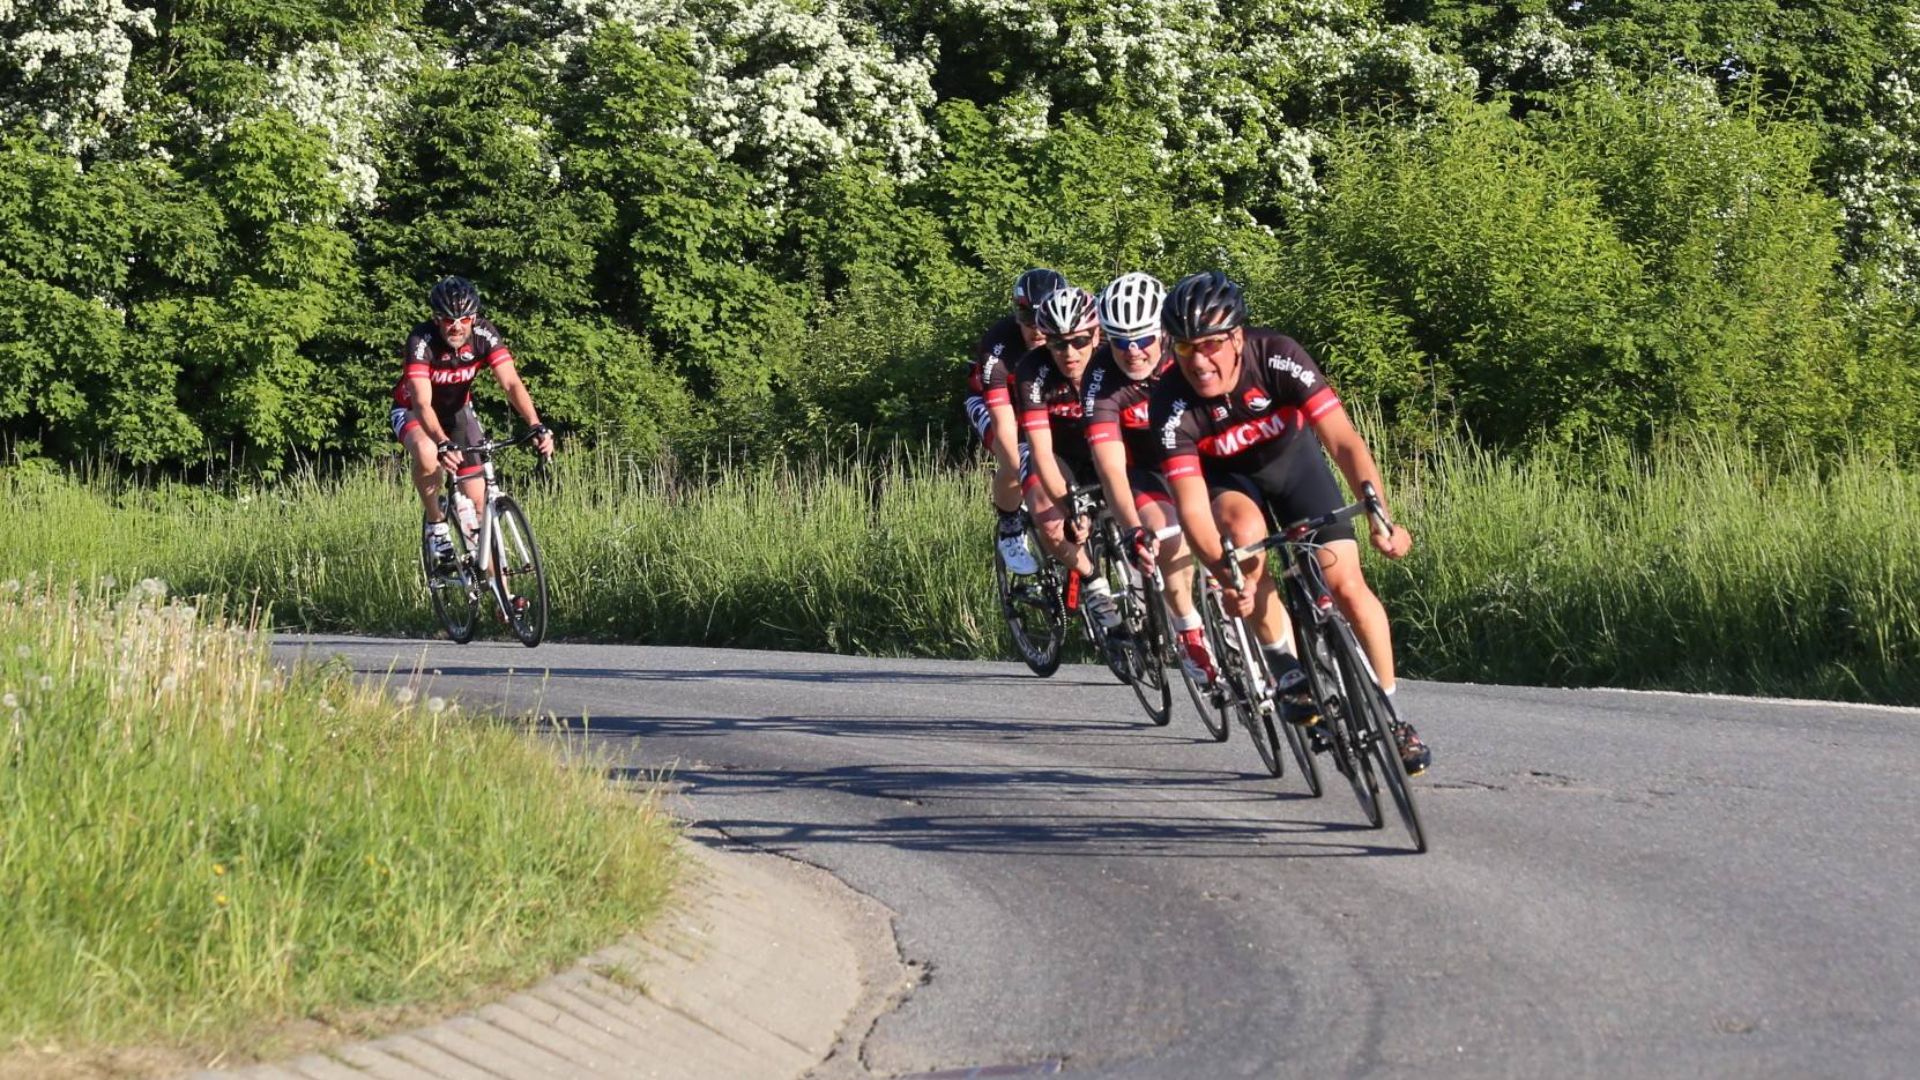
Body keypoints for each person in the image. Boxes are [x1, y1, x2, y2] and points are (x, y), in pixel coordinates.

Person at [1147, 270, 1430, 773]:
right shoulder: (1170, 402)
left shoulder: (1278, 355)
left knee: (1346, 584)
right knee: (1245, 539)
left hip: (1294, 467)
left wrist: (1380, 515)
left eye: (1211, 345)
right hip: (1229, 486)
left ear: (1236, 337)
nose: (1200, 361)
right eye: (1186, 349)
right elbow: (1191, 508)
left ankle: (1393, 714)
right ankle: (1283, 662)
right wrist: (1225, 575)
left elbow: (1343, 441)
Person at [1082, 271, 1218, 685]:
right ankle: (1188, 631)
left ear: (1162, 332)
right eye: (1120, 341)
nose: (1133, 352)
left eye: (1142, 339)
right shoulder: (1101, 380)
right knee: (1168, 535)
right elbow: (1109, 468)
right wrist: (1133, 530)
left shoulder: (1186, 359)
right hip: (1142, 469)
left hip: (1197, 456)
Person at [390, 276, 555, 571]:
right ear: (436, 319)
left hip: (457, 414)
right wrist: (441, 443)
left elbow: (512, 383)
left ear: (474, 317)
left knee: (480, 506)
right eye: (448, 320)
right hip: (413, 410)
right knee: (428, 454)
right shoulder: (421, 340)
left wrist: (535, 424)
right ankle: (437, 527)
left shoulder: (484, 335)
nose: (457, 326)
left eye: (464, 319)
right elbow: (422, 403)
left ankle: (502, 597)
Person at [1014, 283, 1122, 631]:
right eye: (1058, 343)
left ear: (1096, 335)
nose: (1069, 352)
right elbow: (1042, 453)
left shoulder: (1112, 361)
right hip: (1057, 455)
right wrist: (1070, 507)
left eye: (1079, 341)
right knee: (1050, 521)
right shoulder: (1034, 370)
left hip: (1104, 446)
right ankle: (1093, 583)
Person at [965, 269, 1063, 575]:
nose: (1035, 330)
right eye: (1026, 319)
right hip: (994, 402)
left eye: (1042, 320)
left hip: (1037, 401)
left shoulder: (1072, 338)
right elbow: (1005, 427)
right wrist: (1027, 473)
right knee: (1017, 459)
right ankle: (1009, 524)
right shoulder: (999, 344)